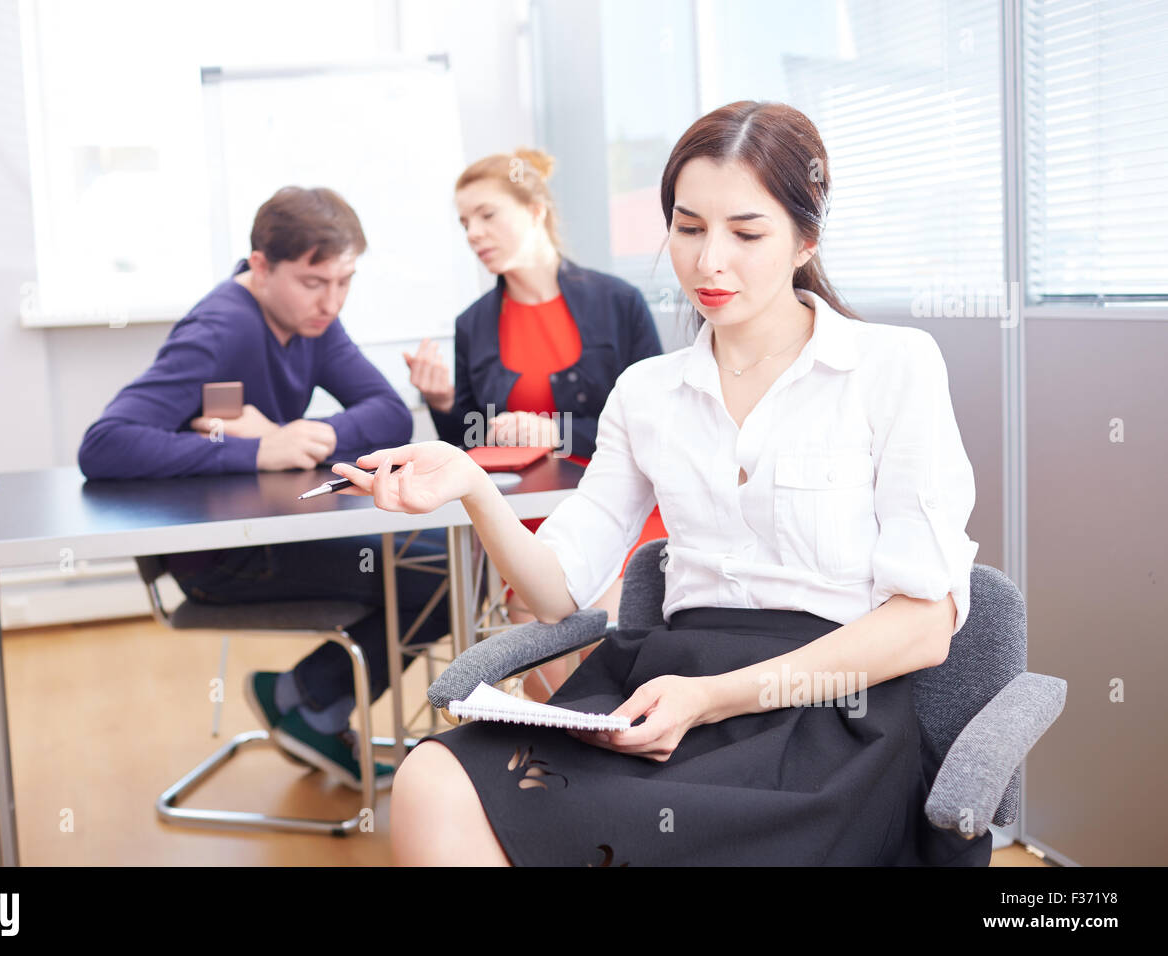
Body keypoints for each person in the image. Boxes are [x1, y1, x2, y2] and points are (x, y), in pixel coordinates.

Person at [331, 101, 994, 866]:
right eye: (688, 228)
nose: (710, 262)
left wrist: (713, 697)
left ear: (806, 239)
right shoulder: (647, 392)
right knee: (431, 780)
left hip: (824, 705)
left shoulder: (893, 368)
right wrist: (474, 485)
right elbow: (557, 592)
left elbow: (923, 625)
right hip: (659, 686)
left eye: (746, 233)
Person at [77, 186, 451, 791]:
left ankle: (304, 699)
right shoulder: (219, 328)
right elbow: (105, 445)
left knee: (462, 558)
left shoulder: (312, 320)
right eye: (313, 282)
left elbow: (389, 412)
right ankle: (310, 699)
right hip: (222, 559)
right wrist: (252, 450)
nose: (331, 301)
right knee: (443, 573)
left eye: (345, 281)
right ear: (260, 267)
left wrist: (300, 435)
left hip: (282, 529)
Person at [403, 148, 666, 700]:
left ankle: (609, 754)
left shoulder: (618, 303)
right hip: (522, 516)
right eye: (464, 222)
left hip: (622, 504)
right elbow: (467, 448)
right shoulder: (472, 324)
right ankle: (565, 756)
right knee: (538, 624)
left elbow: (659, 423)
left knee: (599, 623)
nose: (474, 233)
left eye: (487, 214)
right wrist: (445, 402)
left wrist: (560, 432)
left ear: (536, 209)